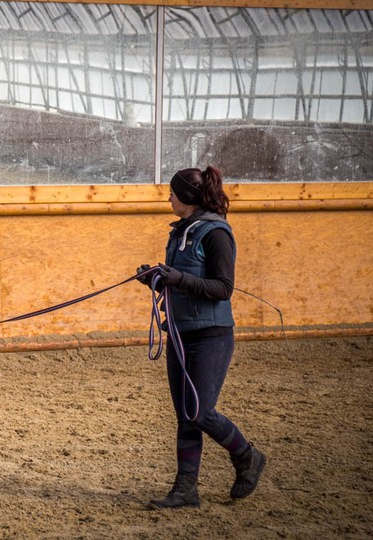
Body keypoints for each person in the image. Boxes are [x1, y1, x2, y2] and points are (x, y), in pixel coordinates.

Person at [136, 166, 266, 509]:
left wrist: (176, 278)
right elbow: (183, 280)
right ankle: (185, 489)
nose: (168, 197)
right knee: (184, 412)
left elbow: (223, 288)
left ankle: (246, 455)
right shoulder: (181, 232)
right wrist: (156, 280)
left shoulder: (216, 234)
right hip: (180, 333)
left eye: (173, 192)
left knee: (199, 410)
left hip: (211, 335)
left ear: (187, 198)